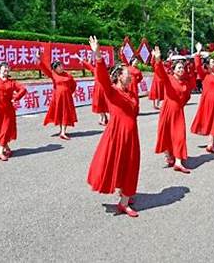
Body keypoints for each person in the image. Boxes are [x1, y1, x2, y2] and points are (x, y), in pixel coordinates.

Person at [86, 36, 141, 218]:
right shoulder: (112, 92)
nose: (131, 76)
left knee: (131, 165)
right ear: (119, 76)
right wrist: (98, 56)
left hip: (131, 135)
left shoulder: (131, 92)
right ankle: (123, 203)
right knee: (118, 163)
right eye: (127, 74)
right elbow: (101, 76)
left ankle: (125, 193)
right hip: (117, 134)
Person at [154, 46, 196, 174]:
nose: (181, 69)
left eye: (182, 67)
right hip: (167, 110)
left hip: (178, 112)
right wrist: (157, 59)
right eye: (179, 67)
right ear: (173, 70)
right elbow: (159, 71)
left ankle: (178, 161)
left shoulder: (185, 82)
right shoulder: (168, 79)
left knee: (179, 136)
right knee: (166, 134)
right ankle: (169, 155)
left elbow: (187, 95)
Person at [190, 42, 214, 154]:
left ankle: (212, 141)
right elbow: (197, 66)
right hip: (208, 101)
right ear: (207, 65)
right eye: (212, 62)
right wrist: (198, 52)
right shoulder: (204, 74)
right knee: (212, 120)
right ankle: (210, 144)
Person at [38, 56, 77, 140]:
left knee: (65, 113)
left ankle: (63, 132)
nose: (61, 67)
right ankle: (61, 130)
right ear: (55, 69)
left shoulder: (68, 75)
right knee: (60, 113)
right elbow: (45, 69)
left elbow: (74, 85)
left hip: (67, 97)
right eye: (58, 66)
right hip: (58, 97)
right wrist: (39, 60)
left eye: (61, 65)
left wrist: (69, 92)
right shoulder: (53, 74)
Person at [83, 60, 109, 125]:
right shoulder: (96, 69)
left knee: (103, 103)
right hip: (97, 89)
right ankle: (102, 117)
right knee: (98, 103)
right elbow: (89, 66)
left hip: (103, 89)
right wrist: (84, 62)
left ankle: (104, 117)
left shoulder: (104, 72)